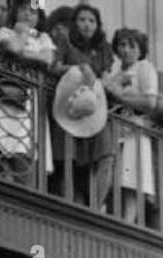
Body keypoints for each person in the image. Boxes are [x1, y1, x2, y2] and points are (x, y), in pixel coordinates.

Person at [55, 3, 114, 208]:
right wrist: (79, 68)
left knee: (106, 153)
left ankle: (96, 206)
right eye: (82, 20)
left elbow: (106, 78)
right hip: (68, 105)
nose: (87, 25)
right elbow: (53, 66)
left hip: (93, 107)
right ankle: (72, 206)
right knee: (68, 160)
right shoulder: (65, 41)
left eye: (92, 21)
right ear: (74, 23)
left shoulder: (102, 49)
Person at [103, 26, 157, 223]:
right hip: (116, 126)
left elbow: (150, 102)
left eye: (132, 45)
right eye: (122, 45)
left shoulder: (144, 68)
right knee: (114, 172)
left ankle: (128, 219)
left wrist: (120, 97)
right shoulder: (114, 71)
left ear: (140, 49)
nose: (126, 50)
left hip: (135, 124)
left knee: (132, 174)